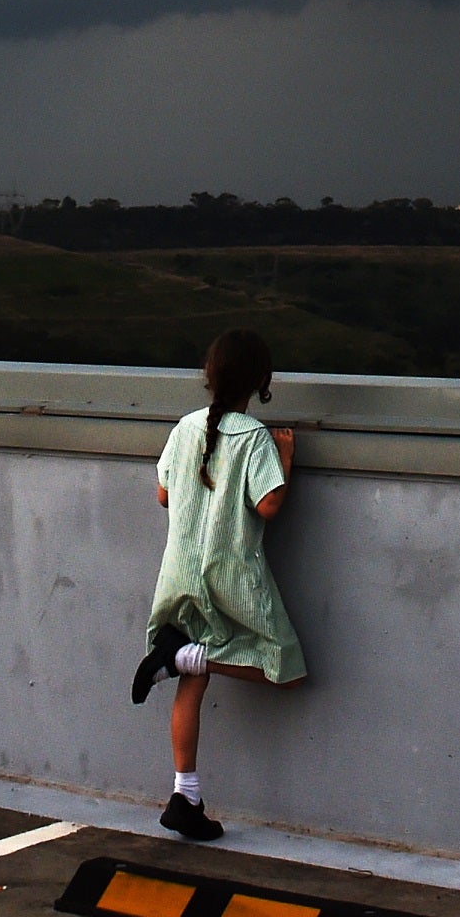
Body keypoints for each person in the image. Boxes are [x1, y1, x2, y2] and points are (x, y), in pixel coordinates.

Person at [130, 327, 309, 841]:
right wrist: (288, 461)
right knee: (284, 668)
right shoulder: (254, 438)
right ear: (260, 381)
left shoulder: (184, 427)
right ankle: (183, 656)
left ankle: (185, 795)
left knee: (191, 682)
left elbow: (164, 495)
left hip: (180, 571)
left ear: (209, 375)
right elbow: (267, 505)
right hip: (231, 577)